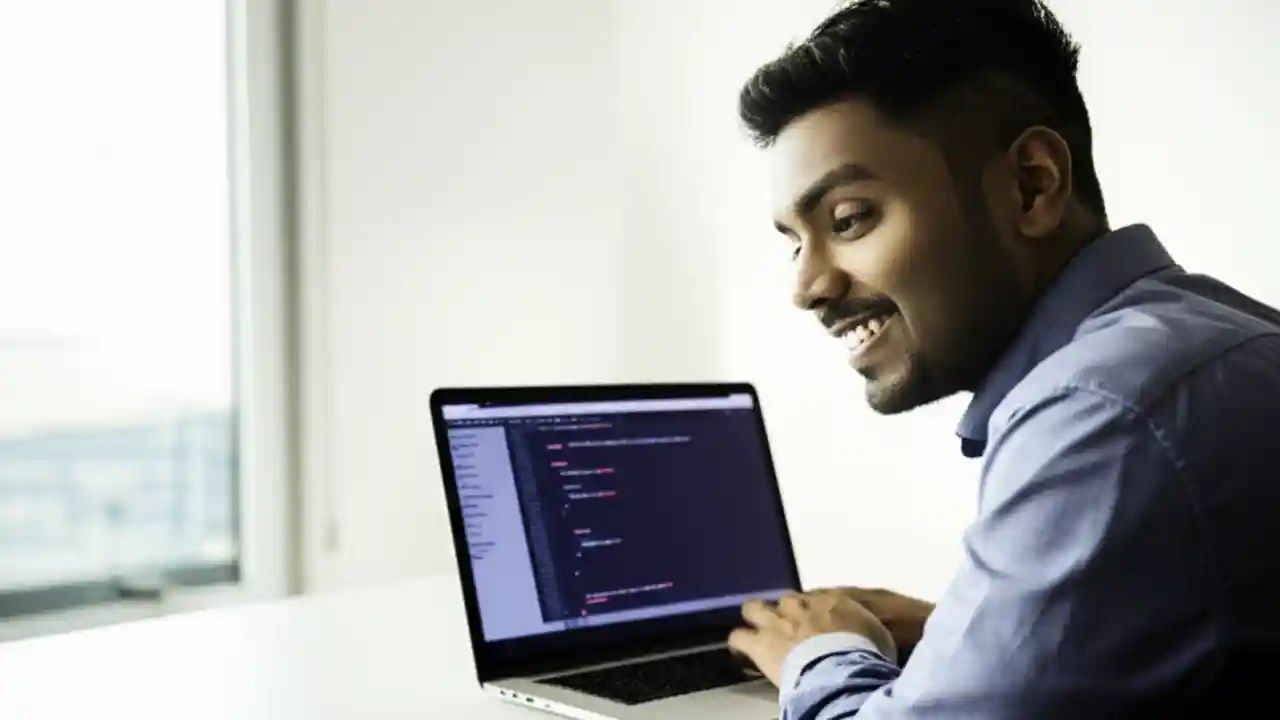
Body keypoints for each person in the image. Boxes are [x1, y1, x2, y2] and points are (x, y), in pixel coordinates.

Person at [725, 0, 1280, 716]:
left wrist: (818, 653)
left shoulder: (1104, 409)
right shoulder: (1214, 341)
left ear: (1033, 184)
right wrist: (967, 637)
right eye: (795, 242)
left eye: (848, 220)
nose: (807, 286)